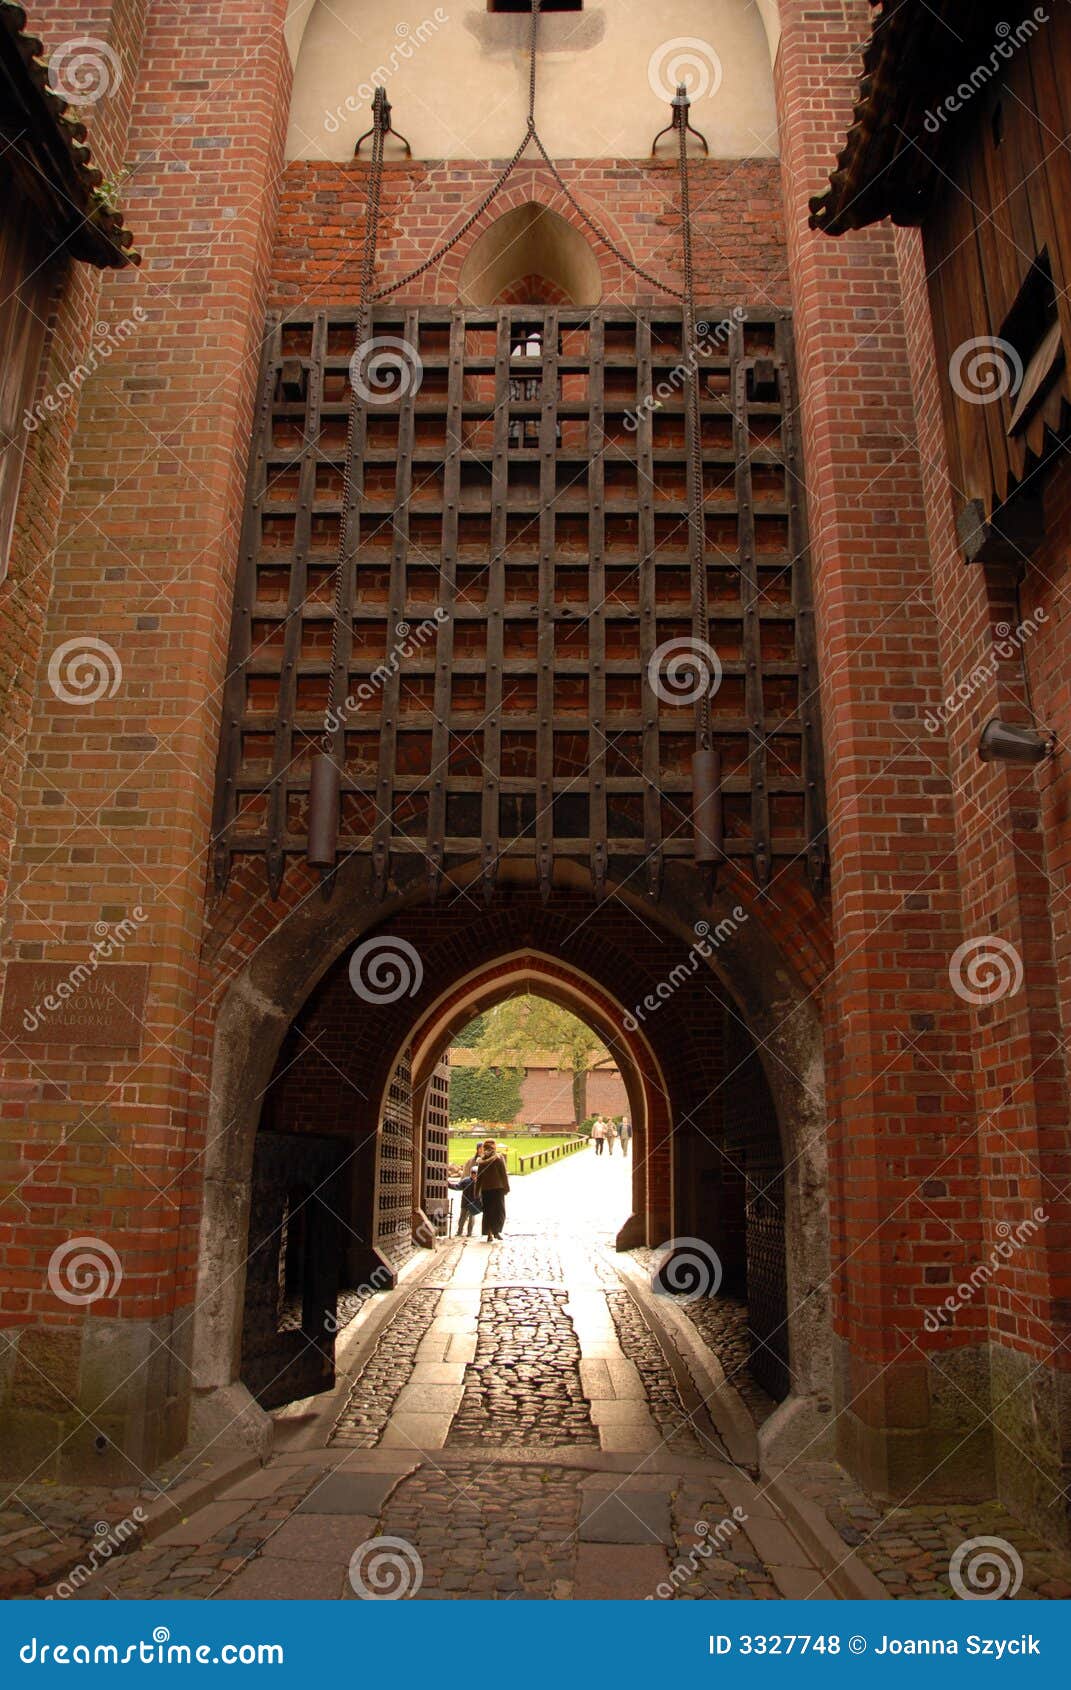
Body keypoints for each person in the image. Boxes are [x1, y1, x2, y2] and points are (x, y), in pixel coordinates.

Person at [473, 1138, 510, 1241]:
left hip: (486, 1189)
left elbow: (479, 1178)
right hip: (498, 1189)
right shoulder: (499, 1158)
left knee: (488, 1212)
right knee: (499, 1212)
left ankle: (489, 1233)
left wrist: (476, 1192)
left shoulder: (481, 1161)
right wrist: (506, 1187)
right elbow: (503, 1174)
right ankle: (496, 1231)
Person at [448, 1146, 482, 1237]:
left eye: (476, 1174)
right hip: (465, 1202)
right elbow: (457, 1187)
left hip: (474, 1203)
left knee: (471, 1219)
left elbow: (482, 1193)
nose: (474, 1176)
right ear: (471, 1174)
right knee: (462, 1218)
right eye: (473, 1174)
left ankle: (469, 1233)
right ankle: (459, 1231)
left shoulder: (480, 1183)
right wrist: (448, 1184)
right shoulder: (466, 1181)